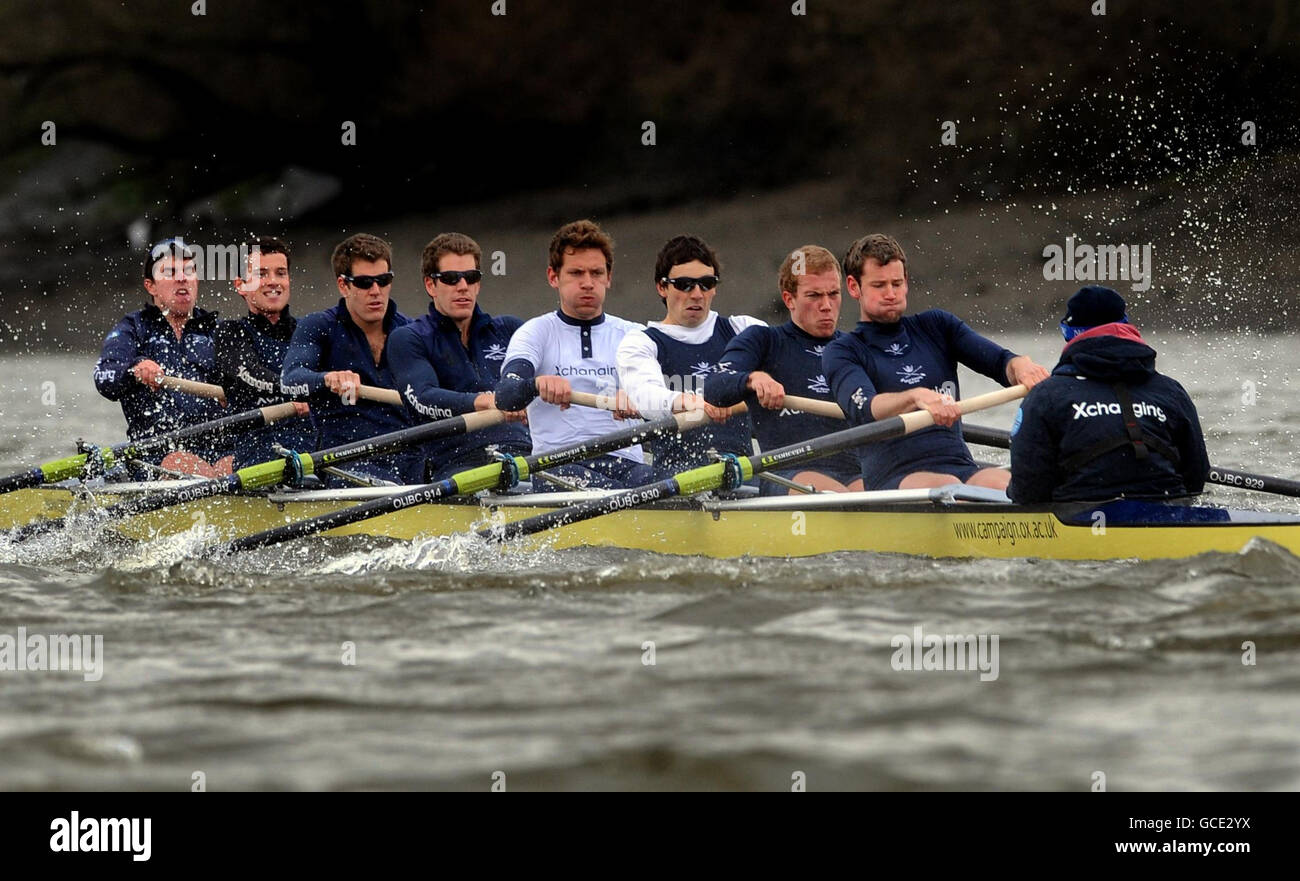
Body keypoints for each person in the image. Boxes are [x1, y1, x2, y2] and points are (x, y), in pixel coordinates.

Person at [823, 233, 1049, 491]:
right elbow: (866, 409)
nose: (890, 293)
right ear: (854, 287)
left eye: (897, 283)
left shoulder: (937, 326)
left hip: (959, 466)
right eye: (879, 285)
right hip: (894, 476)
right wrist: (916, 397)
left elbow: (1000, 362)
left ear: (906, 281)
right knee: (952, 488)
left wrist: (1020, 366)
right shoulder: (842, 351)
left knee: (1019, 488)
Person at [1007, 286, 1209, 503]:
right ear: (1127, 327)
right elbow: (1196, 475)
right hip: (1172, 516)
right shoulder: (1170, 390)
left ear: (1069, 333)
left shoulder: (1046, 396)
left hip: (1080, 520)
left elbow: (1028, 490)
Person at [495, 219, 656, 491]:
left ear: (608, 277)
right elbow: (506, 395)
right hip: (556, 465)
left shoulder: (636, 335)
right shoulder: (535, 332)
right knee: (613, 495)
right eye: (576, 273)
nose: (588, 283)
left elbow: (673, 393)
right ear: (553, 277)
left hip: (625, 463)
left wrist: (644, 398)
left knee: (667, 486)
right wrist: (536, 384)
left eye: (596, 273)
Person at [704, 244, 864, 494]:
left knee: (895, 498)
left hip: (855, 474)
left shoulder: (856, 348)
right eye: (814, 296)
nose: (826, 305)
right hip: (786, 475)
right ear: (789, 299)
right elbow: (714, 387)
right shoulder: (763, 341)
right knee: (847, 501)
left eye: (833, 294)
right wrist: (753, 379)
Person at [388, 233, 530, 481]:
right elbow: (422, 398)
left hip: (525, 453)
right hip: (456, 463)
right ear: (431, 285)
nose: (463, 286)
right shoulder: (409, 339)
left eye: (471, 277)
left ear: (478, 284)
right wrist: (484, 401)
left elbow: (550, 376)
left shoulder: (510, 329)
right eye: (451, 279)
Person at [615, 235, 763, 472]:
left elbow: (790, 373)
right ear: (662, 287)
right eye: (684, 284)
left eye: (706, 283)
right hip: (677, 482)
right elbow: (646, 396)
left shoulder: (745, 329)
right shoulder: (640, 342)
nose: (697, 294)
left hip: (744, 476)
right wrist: (689, 402)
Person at [282, 233, 419, 485]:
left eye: (383, 280)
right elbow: (290, 381)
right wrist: (327, 379)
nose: (376, 291)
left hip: (412, 457)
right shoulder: (319, 326)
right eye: (365, 283)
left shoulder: (413, 333)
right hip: (348, 460)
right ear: (343, 285)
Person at [93, 237, 231, 473]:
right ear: (151, 286)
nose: (182, 278)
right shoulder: (133, 328)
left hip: (221, 453)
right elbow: (104, 378)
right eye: (170, 272)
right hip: (153, 457)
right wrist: (136, 368)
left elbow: (251, 380)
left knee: (235, 464)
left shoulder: (218, 331)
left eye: (189, 270)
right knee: (180, 462)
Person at [212, 236, 314, 467]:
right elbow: (249, 375)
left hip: (314, 452)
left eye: (280, 273)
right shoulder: (230, 333)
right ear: (240, 285)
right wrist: (307, 388)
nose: (273, 282)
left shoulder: (310, 332)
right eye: (261, 274)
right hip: (259, 455)